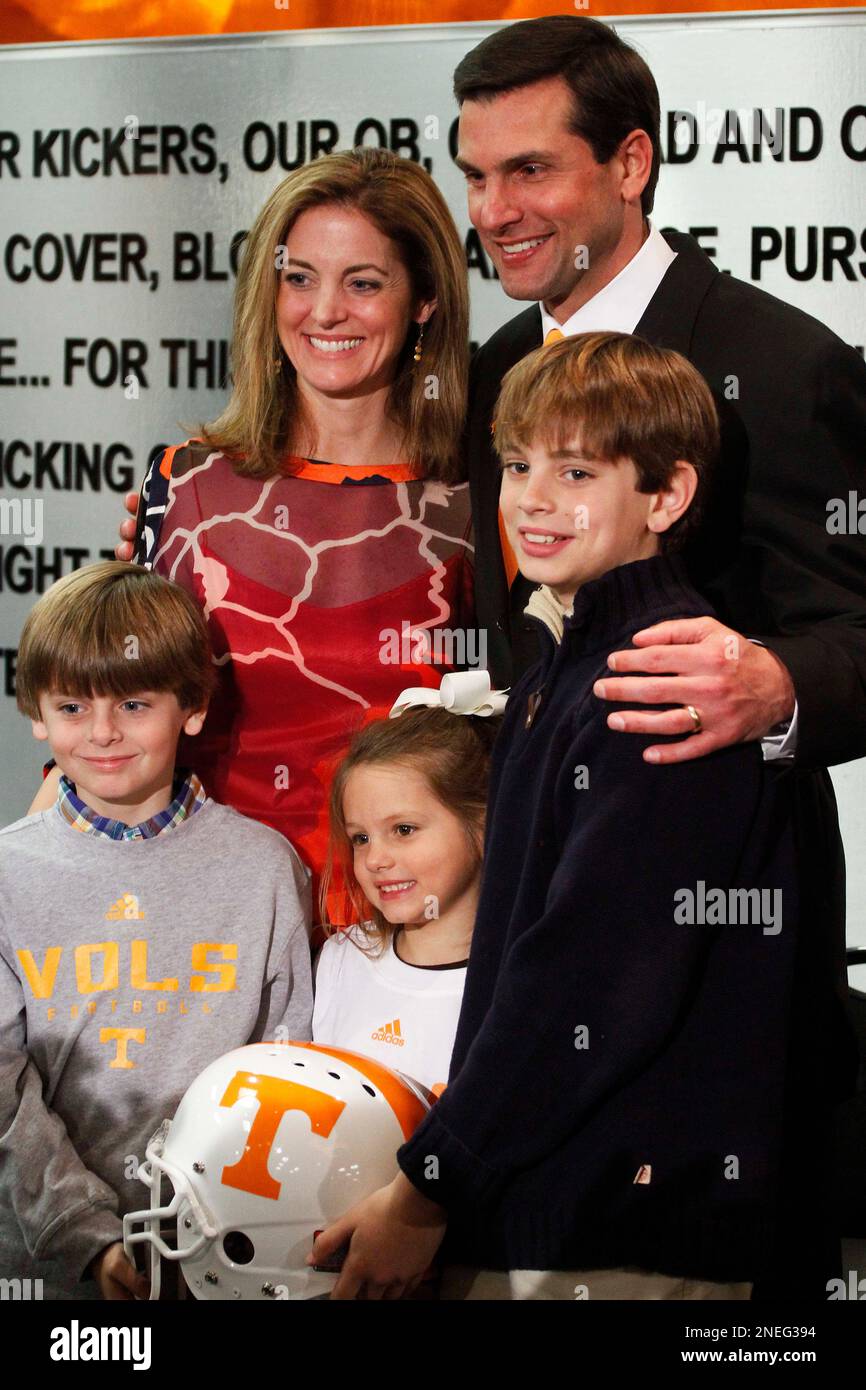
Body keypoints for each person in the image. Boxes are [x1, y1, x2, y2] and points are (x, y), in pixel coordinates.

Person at [452, 14, 864, 1298]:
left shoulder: (779, 362)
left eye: (530, 170)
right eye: (474, 173)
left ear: (628, 164)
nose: (494, 209)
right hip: (534, 915)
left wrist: (781, 685)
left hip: (713, 968)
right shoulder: (496, 370)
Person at [309, 332, 801, 1302]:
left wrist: (425, 1189)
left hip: (624, 1237)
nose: (533, 498)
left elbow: (585, 981)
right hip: (556, 1216)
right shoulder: (562, 668)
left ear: (665, 497)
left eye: (576, 470)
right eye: (518, 464)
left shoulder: (651, 679)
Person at [76, 145, 475, 926]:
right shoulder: (186, 485)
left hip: (408, 930)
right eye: (299, 278)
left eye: (363, 282)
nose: (325, 312)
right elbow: (125, 715)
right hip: (205, 924)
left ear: (425, 298)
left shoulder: (478, 500)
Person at [1, 562, 313, 1300]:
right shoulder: (8, 872)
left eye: (135, 704)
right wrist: (88, 1234)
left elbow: (288, 1069)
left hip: (229, 1264)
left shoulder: (265, 868)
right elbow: (5, 1095)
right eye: (72, 707)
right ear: (38, 715)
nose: (102, 733)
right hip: (49, 1274)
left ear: (193, 707)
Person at [313, 672, 504, 1095]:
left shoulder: (524, 981)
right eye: (360, 838)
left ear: (483, 823)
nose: (376, 860)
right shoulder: (341, 961)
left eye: (403, 829)